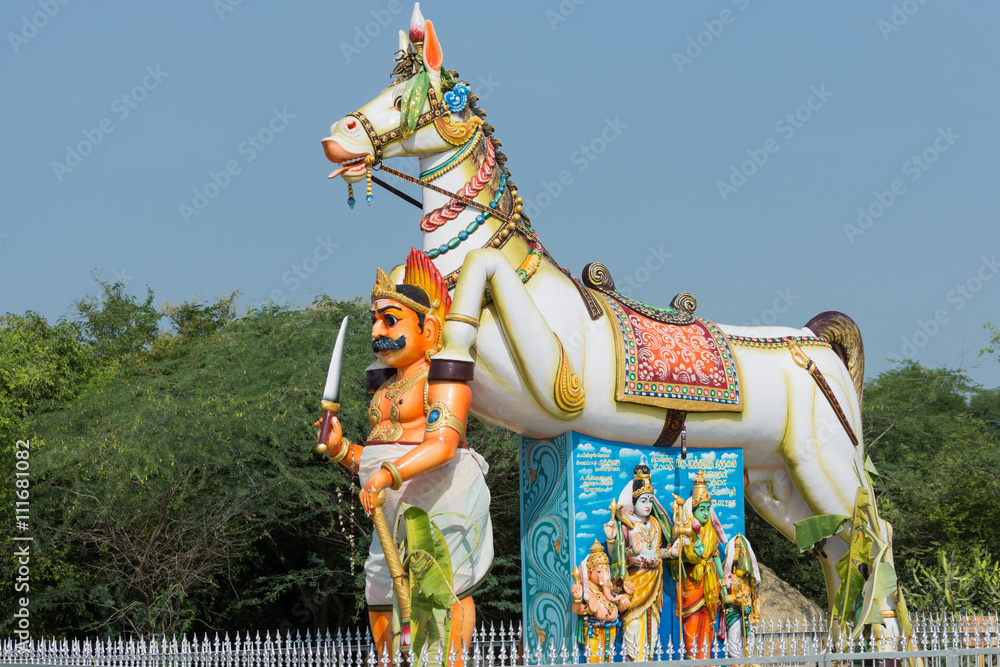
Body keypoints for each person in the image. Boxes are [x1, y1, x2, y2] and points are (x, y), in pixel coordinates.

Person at [317, 249, 493, 660]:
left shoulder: (442, 381)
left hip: (439, 505)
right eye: (375, 320)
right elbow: (375, 457)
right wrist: (342, 449)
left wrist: (385, 475)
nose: (377, 331)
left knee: (443, 587)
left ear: (428, 328)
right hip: (389, 510)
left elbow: (442, 444)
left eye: (390, 320)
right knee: (379, 588)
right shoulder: (384, 391)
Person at [604, 463, 673, 661]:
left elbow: (657, 552)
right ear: (633, 502)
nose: (648, 505)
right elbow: (616, 556)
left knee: (652, 627)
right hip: (634, 582)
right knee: (633, 626)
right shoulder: (627, 525)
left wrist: (671, 552)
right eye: (643, 500)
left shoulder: (656, 524)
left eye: (650, 500)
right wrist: (611, 539)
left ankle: (648, 662)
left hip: (654, 582)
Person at [667, 471, 728, 659]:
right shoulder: (686, 532)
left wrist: (722, 581)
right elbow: (678, 557)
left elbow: (715, 556)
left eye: (708, 509)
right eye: (702, 509)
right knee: (692, 624)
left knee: (708, 623)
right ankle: (692, 660)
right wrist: (691, 553)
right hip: (692, 586)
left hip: (710, 584)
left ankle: (705, 660)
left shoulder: (710, 532)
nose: (705, 513)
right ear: (693, 510)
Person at [571, 540, 634, 662]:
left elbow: (617, 603)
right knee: (594, 657)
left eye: (606, 571)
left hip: (611, 629)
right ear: (589, 572)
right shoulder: (587, 591)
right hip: (594, 630)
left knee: (609, 657)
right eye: (599, 571)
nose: (605, 575)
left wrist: (627, 596)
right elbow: (576, 609)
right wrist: (579, 600)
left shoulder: (609, 589)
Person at [721, 534, 761, 658]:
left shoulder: (749, 579)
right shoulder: (727, 578)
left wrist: (756, 615)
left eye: (741, 547)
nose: (739, 551)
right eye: (736, 547)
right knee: (733, 639)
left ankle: (748, 662)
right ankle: (736, 663)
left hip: (748, 613)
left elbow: (755, 597)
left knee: (750, 640)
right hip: (733, 612)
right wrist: (735, 599)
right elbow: (721, 598)